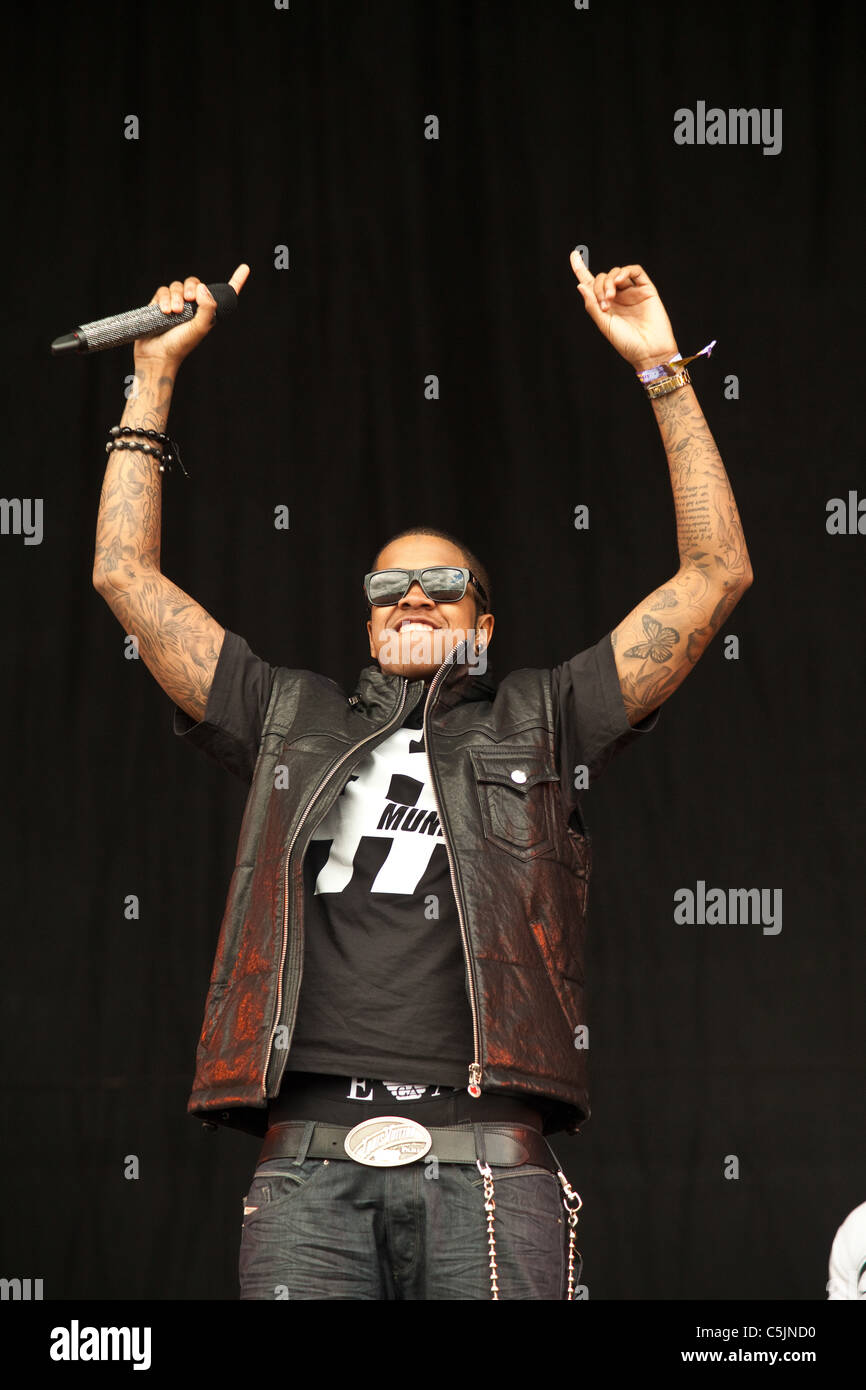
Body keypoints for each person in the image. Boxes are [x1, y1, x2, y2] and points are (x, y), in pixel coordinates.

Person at [92, 253, 752, 1300]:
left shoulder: (542, 716)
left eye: (442, 586)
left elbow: (714, 576)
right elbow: (123, 577)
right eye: (388, 584)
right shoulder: (285, 715)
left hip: (489, 1162)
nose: (412, 597)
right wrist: (156, 376)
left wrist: (661, 369)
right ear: (365, 619)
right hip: (307, 1165)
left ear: (481, 629)